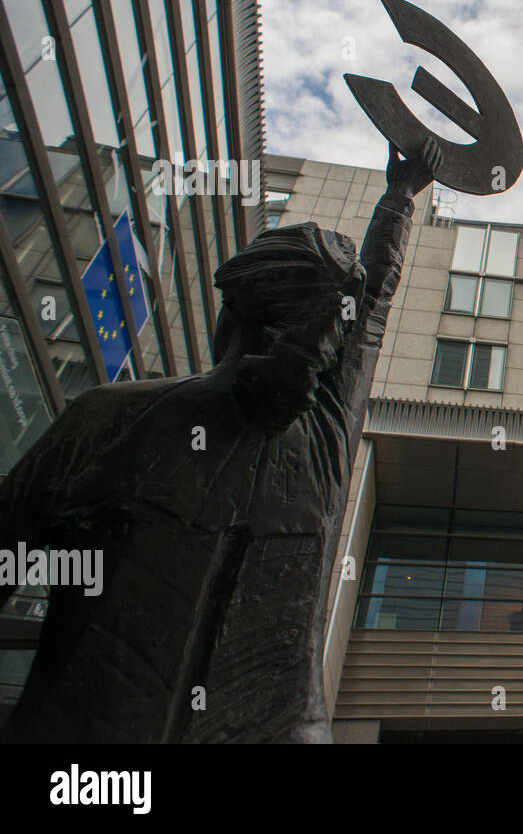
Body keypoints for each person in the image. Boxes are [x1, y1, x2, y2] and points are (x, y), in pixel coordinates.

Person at [0, 141, 440, 743]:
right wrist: (398, 199)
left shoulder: (111, 420)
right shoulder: (323, 440)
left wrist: (399, 197)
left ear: (229, 313)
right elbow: (373, 309)